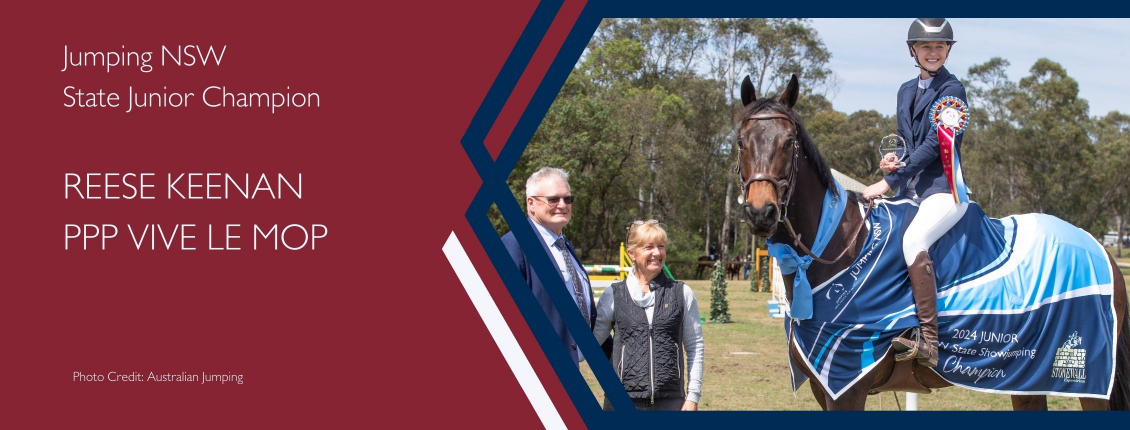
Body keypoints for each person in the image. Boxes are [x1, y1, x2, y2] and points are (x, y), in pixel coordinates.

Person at [861, 18, 970, 368]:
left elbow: (936, 146)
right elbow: (908, 141)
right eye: (926, 46)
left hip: (943, 190)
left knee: (913, 241)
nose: (933, 52)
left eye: (939, 47)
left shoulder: (953, 91)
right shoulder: (905, 90)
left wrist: (888, 183)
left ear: (948, 49)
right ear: (913, 51)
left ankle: (930, 340)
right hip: (910, 190)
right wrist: (894, 158)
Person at [593, 220, 704, 411]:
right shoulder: (613, 295)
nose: (657, 253)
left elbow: (695, 346)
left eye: (661, 246)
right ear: (632, 254)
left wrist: (693, 396)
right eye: (648, 247)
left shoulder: (682, 293)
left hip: (671, 401)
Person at [501, 167, 596, 366]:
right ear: (531, 203)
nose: (562, 205)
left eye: (567, 199)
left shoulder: (563, 244)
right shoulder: (514, 245)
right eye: (553, 199)